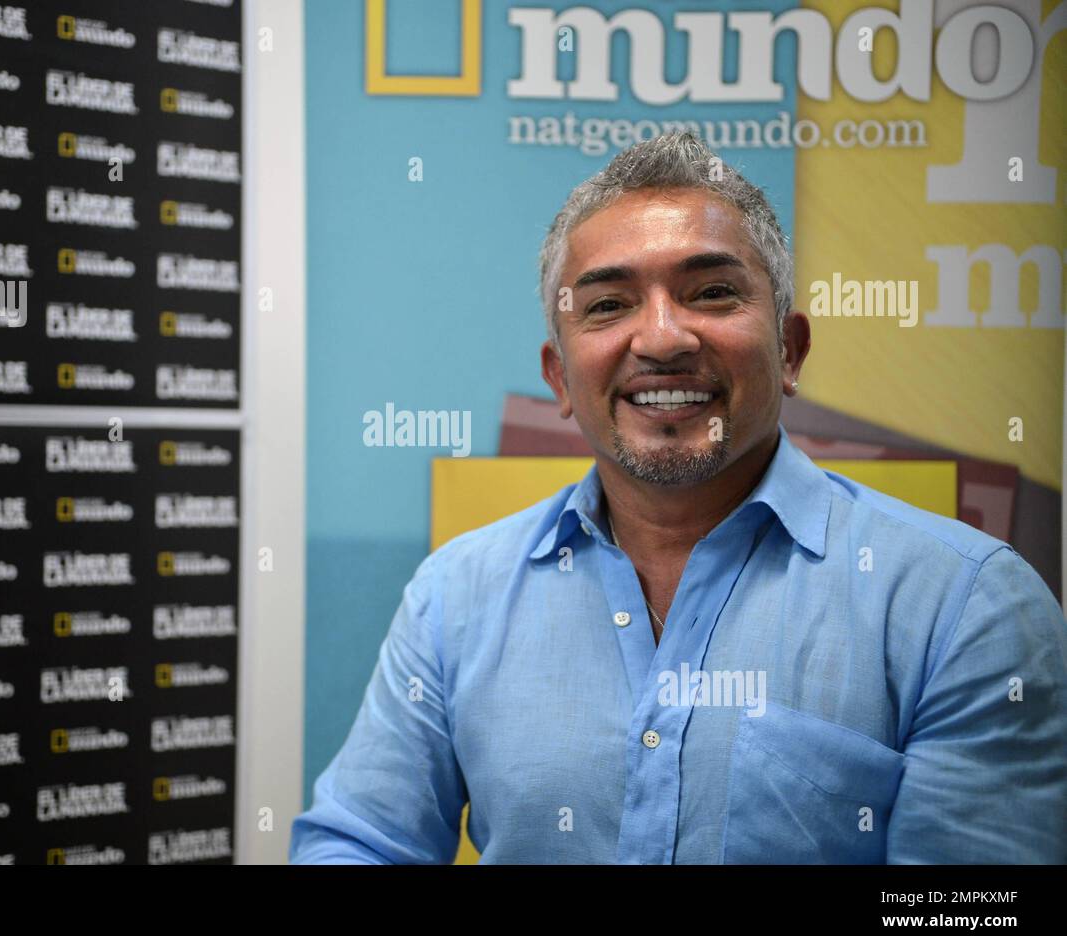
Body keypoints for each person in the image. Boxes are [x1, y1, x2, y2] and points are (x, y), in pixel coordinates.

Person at [290, 131, 1067, 864]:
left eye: (712, 292)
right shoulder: (453, 598)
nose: (661, 338)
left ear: (790, 351)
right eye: (607, 304)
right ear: (560, 378)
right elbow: (356, 843)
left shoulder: (966, 607)